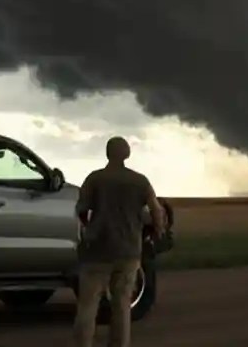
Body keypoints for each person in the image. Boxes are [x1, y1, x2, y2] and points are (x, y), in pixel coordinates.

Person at [72, 136, 167, 347]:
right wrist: (157, 231)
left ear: (107, 153)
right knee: (122, 306)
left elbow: (81, 210)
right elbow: (156, 210)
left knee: (88, 306)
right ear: (127, 154)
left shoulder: (95, 179)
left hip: (97, 251)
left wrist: (89, 230)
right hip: (129, 251)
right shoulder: (140, 181)